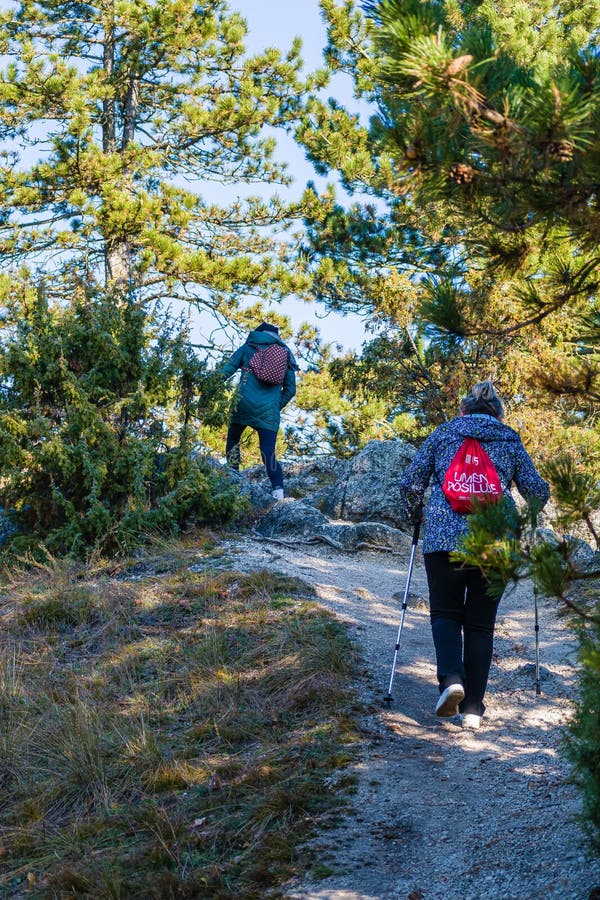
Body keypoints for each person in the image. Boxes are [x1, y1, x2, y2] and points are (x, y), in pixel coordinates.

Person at [398, 381, 550, 729]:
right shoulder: (509, 438)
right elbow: (538, 491)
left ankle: (452, 678)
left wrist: (418, 517)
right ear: (498, 414)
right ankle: (473, 710)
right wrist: (526, 518)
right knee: (480, 624)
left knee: (445, 614)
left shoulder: (443, 434)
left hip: (443, 537)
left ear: (463, 411)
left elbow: (409, 484)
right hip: (495, 541)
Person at [220, 322, 298, 500]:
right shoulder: (285, 354)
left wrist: (208, 386)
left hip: (243, 403)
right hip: (269, 411)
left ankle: (233, 477)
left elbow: (227, 369)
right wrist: (275, 406)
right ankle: (278, 491)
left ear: (259, 333)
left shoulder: (248, 347)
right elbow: (290, 389)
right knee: (268, 451)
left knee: (233, 439)